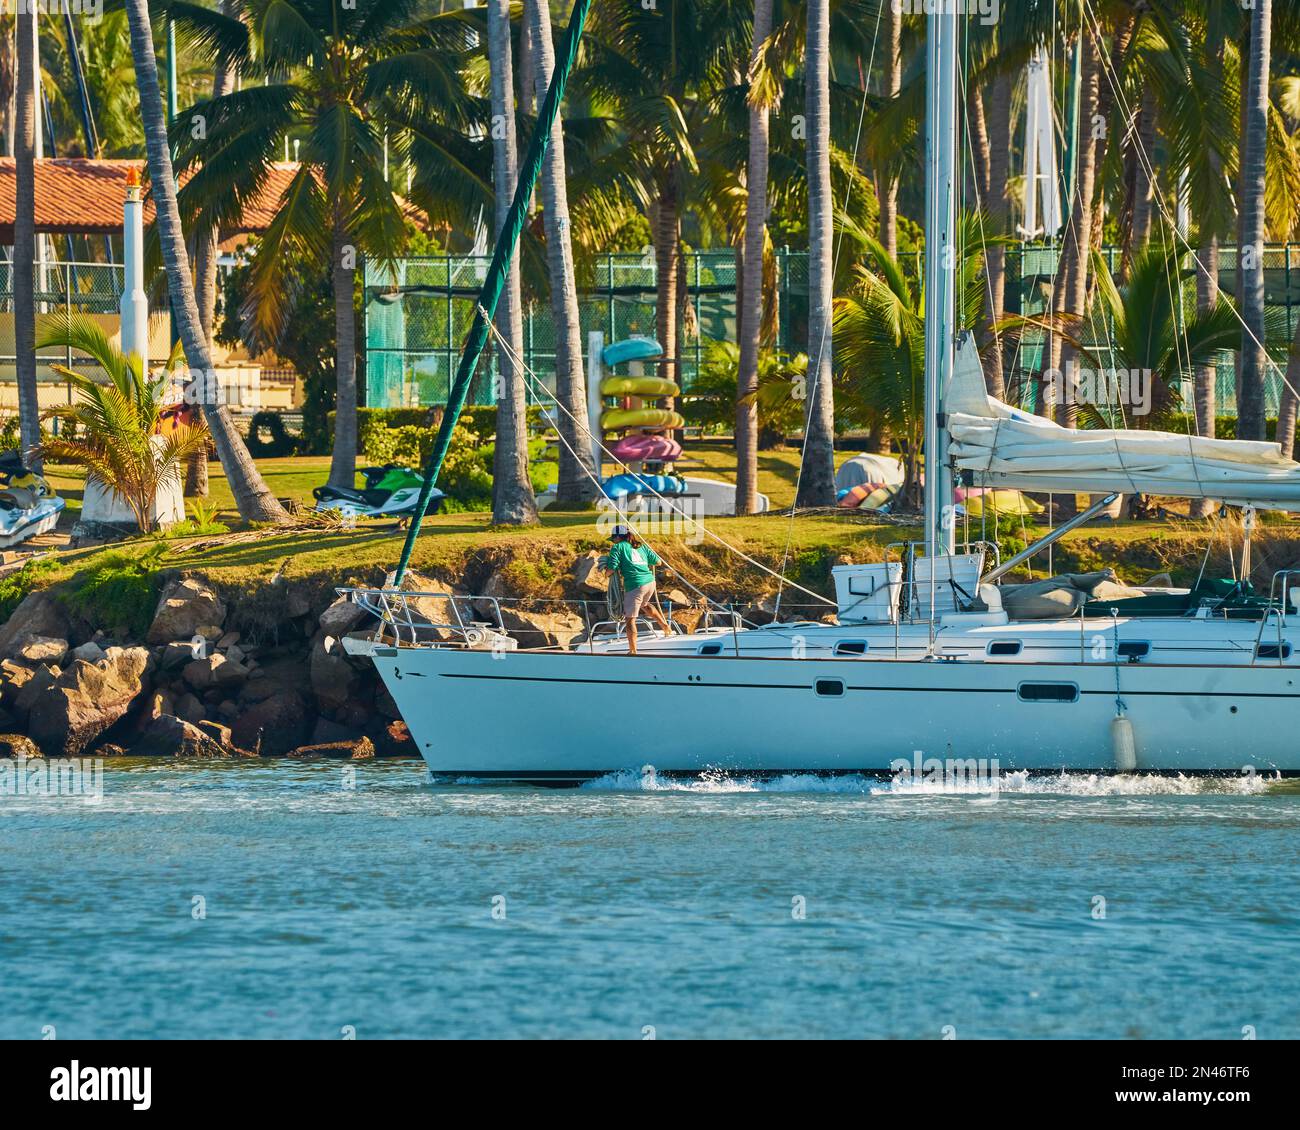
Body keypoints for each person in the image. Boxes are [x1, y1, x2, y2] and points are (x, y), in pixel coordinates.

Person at [601, 524, 672, 654]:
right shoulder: (641, 546)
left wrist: (605, 573)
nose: (613, 542)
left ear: (618, 537)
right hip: (650, 583)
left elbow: (611, 569)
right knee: (645, 605)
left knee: (630, 619)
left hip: (635, 585)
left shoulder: (617, 547)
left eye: (613, 539)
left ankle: (633, 650)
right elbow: (658, 562)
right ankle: (665, 626)